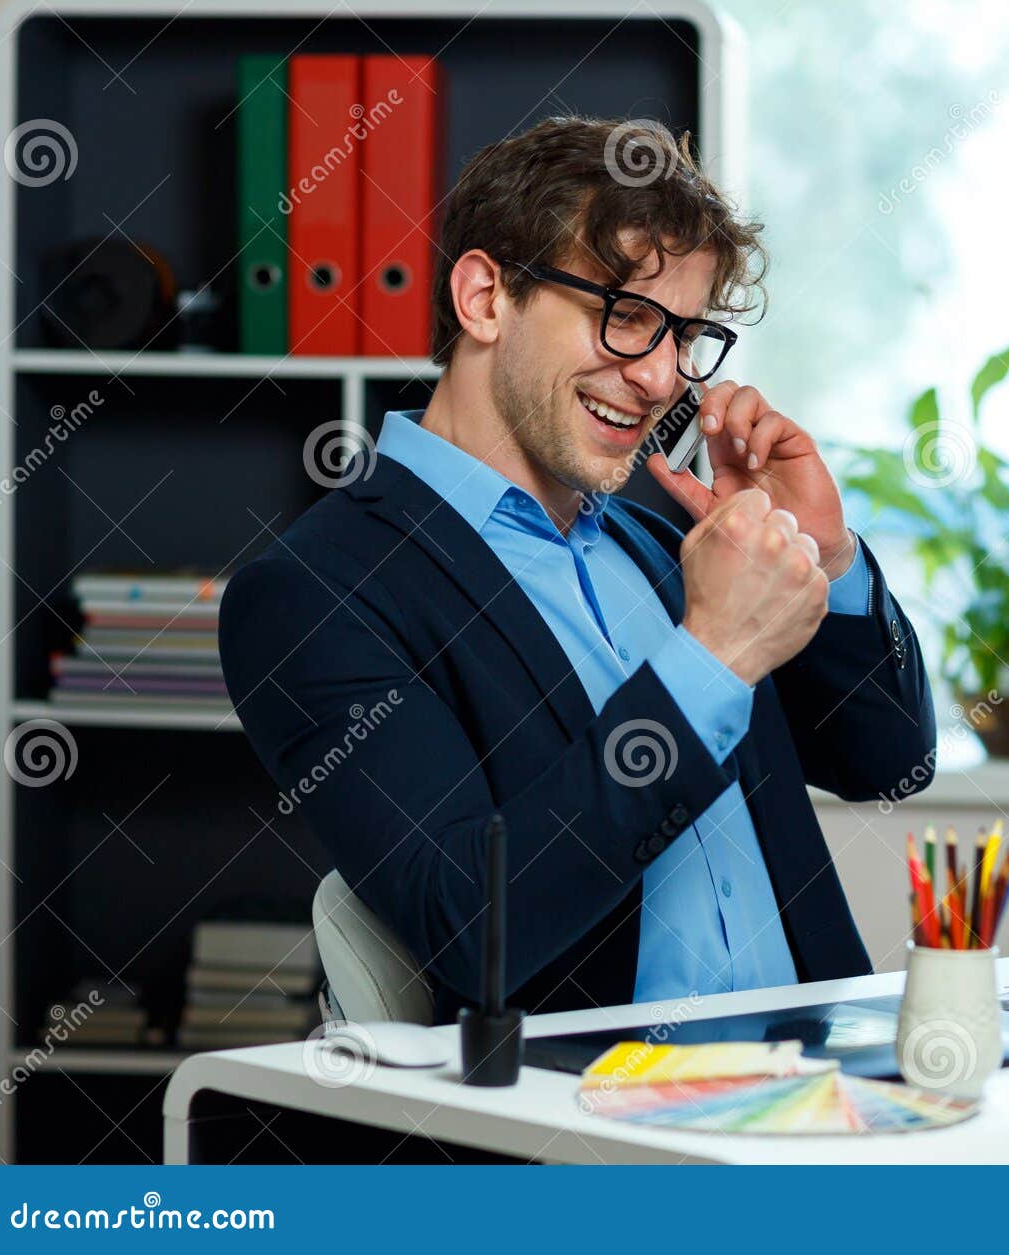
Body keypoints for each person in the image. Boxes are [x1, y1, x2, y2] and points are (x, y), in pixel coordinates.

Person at [220, 116, 935, 1019]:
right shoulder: (314, 595)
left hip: (824, 1090)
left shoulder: (664, 546)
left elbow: (891, 763)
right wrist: (710, 656)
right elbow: (467, 924)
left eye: (684, 334)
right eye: (627, 316)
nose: (664, 377)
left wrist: (824, 557)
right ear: (485, 299)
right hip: (597, 1130)